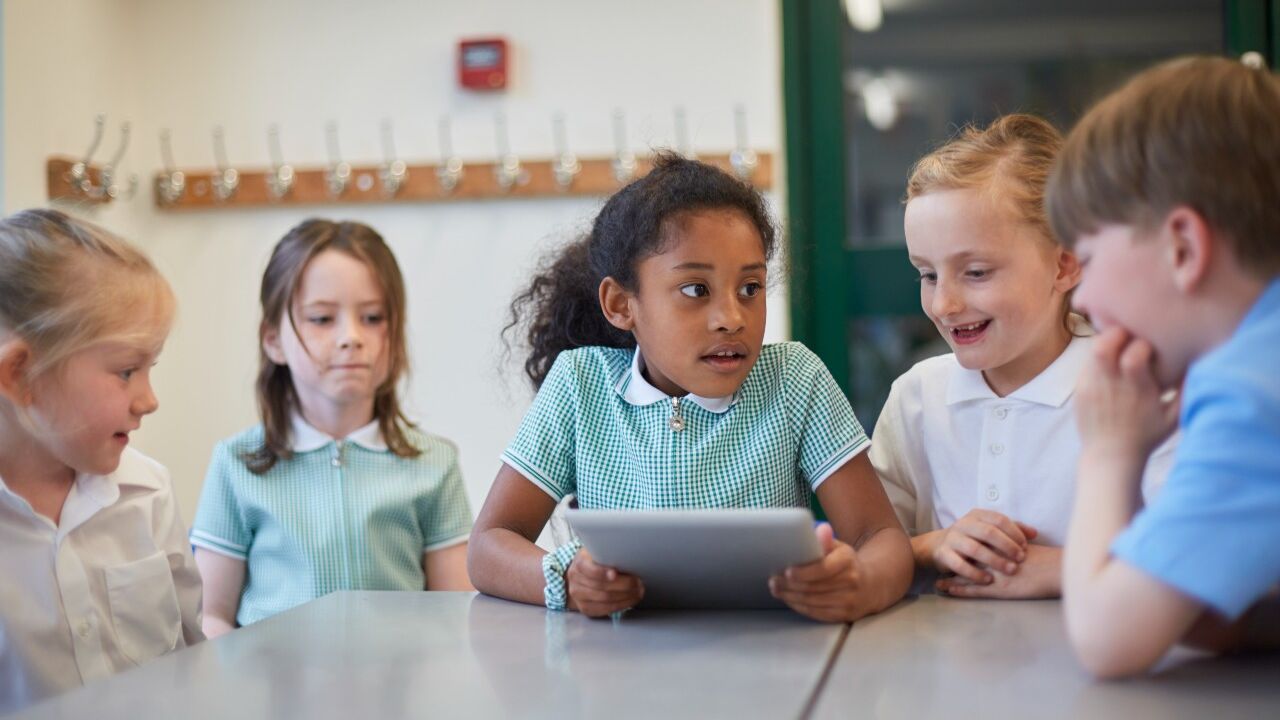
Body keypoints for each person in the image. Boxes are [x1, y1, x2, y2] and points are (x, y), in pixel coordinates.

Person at [467, 154, 912, 622]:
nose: (732, 318)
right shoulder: (580, 384)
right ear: (621, 304)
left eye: (750, 287)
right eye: (696, 290)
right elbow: (488, 546)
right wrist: (565, 578)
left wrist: (857, 584)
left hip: (773, 663)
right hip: (616, 671)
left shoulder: (794, 379)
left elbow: (882, 539)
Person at [873, 114, 1173, 599]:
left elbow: (1197, 553)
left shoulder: (1139, 387)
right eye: (927, 275)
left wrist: (1064, 568)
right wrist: (934, 545)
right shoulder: (917, 395)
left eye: (975, 272)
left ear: (1064, 264)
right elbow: (869, 545)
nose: (943, 304)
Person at [1049, 56, 1280, 677]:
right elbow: (1215, 617)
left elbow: (1107, 638)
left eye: (1090, 259)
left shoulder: (1247, 395)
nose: (1082, 299)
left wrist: (1110, 451)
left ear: (1183, 248)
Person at [192, 219, 473, 638]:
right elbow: (211, 616)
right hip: (276, 697)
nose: (351, 337)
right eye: (322, 318)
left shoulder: (434, 464)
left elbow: (457, 613)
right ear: (273, 340)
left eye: (373, 317)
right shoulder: (235, 464)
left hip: (395, 696)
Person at [0, 209, 202, 711]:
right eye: (127, 371)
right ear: (20, 374)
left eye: (149, 369)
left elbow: (195, 662)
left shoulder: (149, 493)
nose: (149, 399)